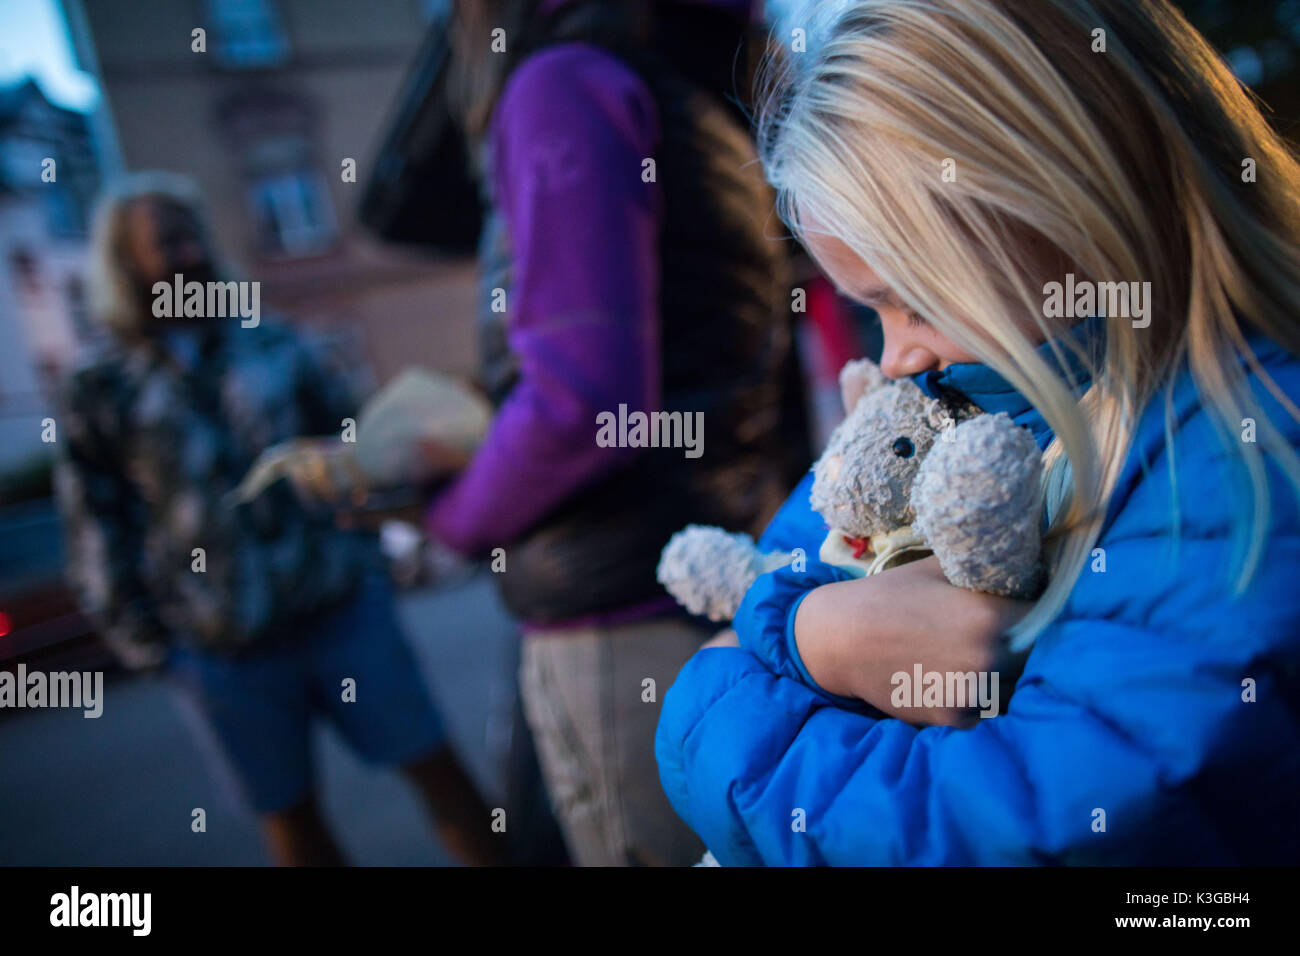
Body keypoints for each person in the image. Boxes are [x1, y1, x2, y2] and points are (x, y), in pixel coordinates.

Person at [655, 0, 1300, 864]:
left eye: (914, 296)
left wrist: (705, 713)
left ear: (1070, 197)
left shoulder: (1242, 452)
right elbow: (776, 583)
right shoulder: (955, 392)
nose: (891, 359)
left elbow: (1024, 827)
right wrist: (811, 633)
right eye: (868, 310)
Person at [402, 0, 803, 866]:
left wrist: (447, 517)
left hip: (622, 611)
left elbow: (581, 402)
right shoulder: (694, 96)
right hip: (710, 573)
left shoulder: (563, 86)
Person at [56, 174, 505, 866]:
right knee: (291, 822)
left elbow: (358, 450)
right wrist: (160, 652)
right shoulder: (100, 389)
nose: (189, 252)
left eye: (193, 233)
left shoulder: (273, 343)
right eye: (166, 240)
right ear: (124, 262)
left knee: (436, 769)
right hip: (223, 649)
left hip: (341, 612)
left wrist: (379, 553)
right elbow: (96, 534)